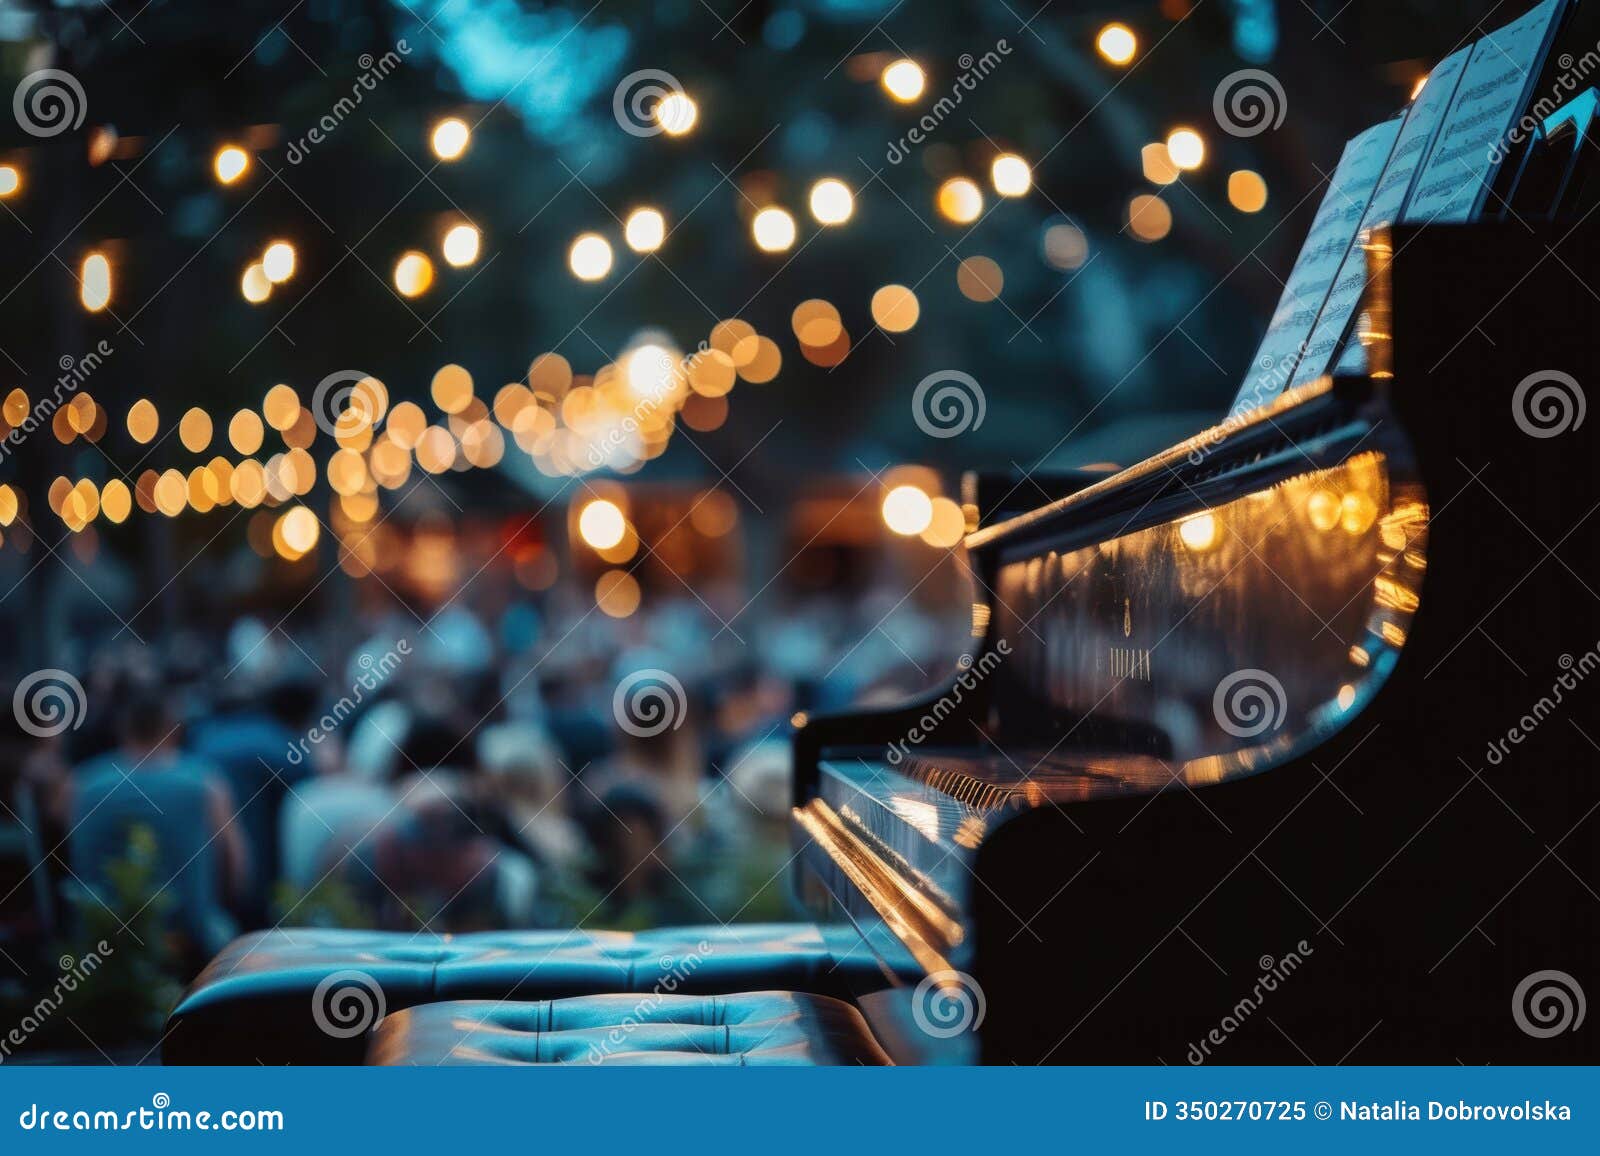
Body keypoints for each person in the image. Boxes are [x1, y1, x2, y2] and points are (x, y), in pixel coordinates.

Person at [69, 683, 249, 960]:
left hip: (100, 944)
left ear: (122, 728)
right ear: (173, 728)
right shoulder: (206, 782)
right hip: (190, 940)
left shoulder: (83, 784)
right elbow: (237, 869)